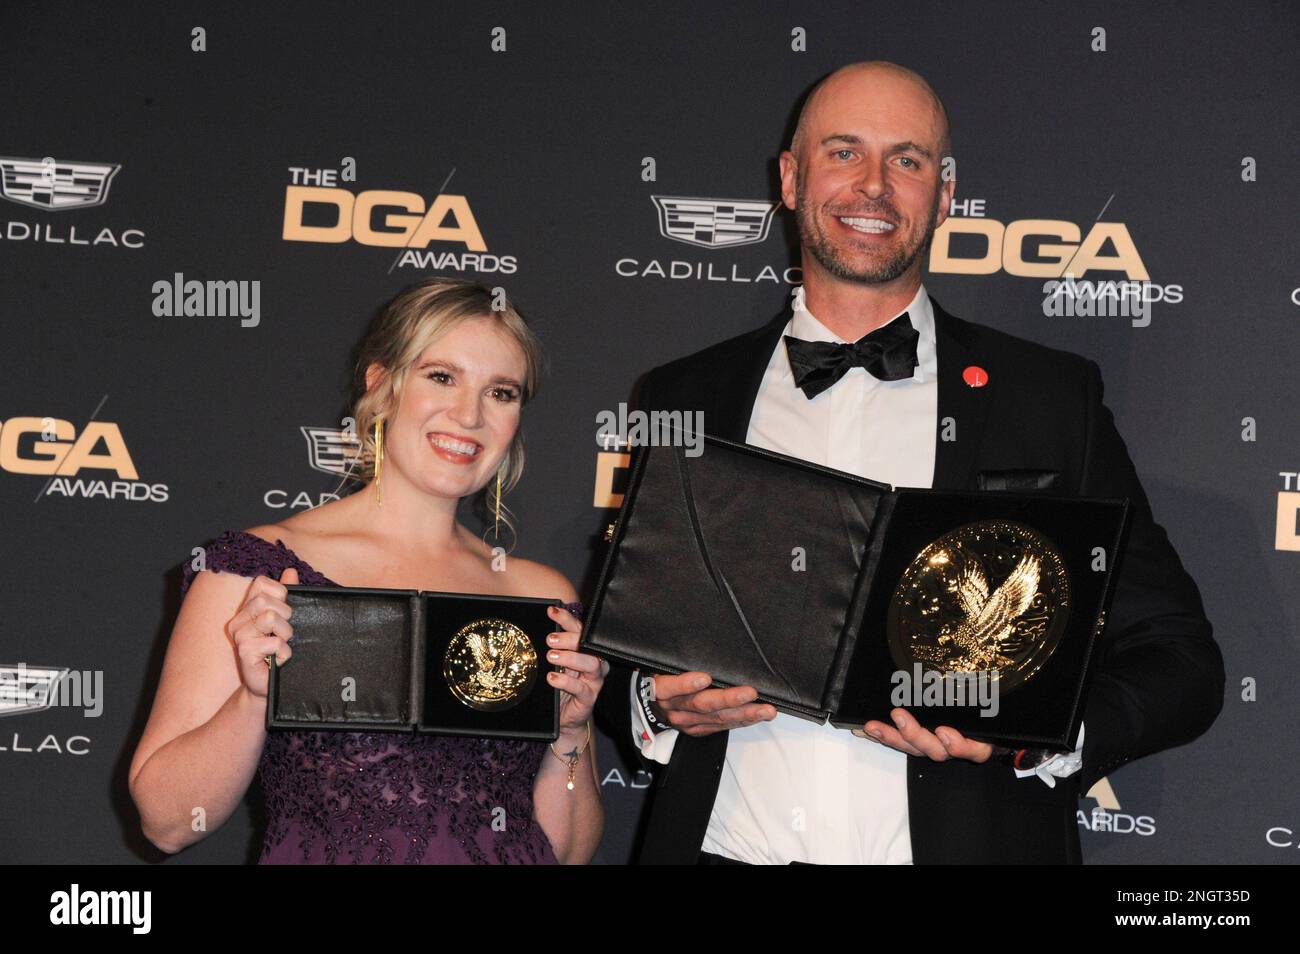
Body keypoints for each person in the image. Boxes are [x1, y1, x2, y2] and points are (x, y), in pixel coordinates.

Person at [615, 61, 1223, 864]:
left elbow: (1180, 660)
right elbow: (624, 643)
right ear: (791, 179)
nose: (872, 186)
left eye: (906, 160)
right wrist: (653, 706)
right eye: (843, 152)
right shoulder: (682, 392)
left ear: (943, 195)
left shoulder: (1047, 399)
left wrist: (1036, 734)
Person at [129, 278, 608, 864]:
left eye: (501, 392)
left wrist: (572, 734)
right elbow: (168, 823)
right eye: (441, 376)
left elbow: (565, 854)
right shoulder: (261, 572)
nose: (469, 414)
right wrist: (256, 698)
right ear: (380, 386)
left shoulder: (540, 595)